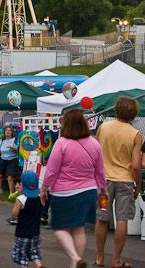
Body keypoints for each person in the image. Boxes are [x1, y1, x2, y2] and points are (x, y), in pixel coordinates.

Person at [40, 109, 106, 268]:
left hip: (64, 192)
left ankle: (75, 258)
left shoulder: (61, 143)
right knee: (79, 229)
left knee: (59, 227)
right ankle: (75, 262)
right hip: (89, 191)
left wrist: (44, 188)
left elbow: (52, 170)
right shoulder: (94, 143)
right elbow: (100, 170)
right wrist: (103, 189)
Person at [94, 97, 142, 268]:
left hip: (104, 182)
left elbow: (96, 153)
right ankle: (116, 260)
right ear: (133, 113)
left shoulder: (103, 128)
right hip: (125, 182)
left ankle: (100, 258)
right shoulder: (135, 135)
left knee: (102, 217)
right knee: (122, 219)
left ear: (116, 110)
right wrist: (139, 185)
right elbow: (136, 165)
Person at [11, 172, 44, 268]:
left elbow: (14, 213)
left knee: (21, 253)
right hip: (35, 231)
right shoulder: (38, 198)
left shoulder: (21, 198)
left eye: (19, 184)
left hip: (22, 232)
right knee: (33, 251)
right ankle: (39, 265)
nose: (17, 186)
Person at [0, 126, 20, 197]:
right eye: (6, 131)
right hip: (3, 159)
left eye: (9, 131)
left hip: (12, 160)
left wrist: (12, 148)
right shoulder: (2, 140)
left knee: (10, 177)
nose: (8, 132)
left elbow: (17, 151)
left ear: (12, 132)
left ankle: (12, 193)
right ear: (4, 132)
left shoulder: (14, 140)